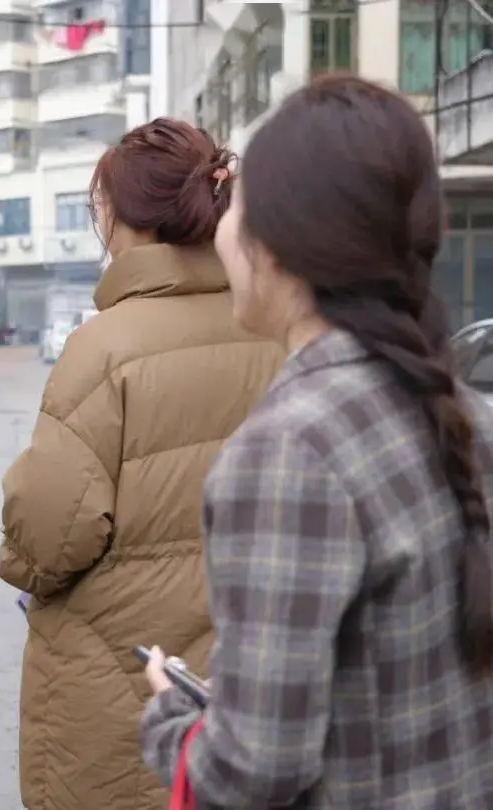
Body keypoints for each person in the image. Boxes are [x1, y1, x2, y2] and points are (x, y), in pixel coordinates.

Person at [141, 74, 493, 807]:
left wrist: (171, 718)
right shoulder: (460, 407)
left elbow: (251, 772)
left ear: (281, 241)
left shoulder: (293, 450)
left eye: (236, 204)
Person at [0, 119, 283, 810]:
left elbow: (48, 540)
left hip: (116, 678)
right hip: (252, 675)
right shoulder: (280, 331)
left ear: (123, 216)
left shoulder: (103, 348)